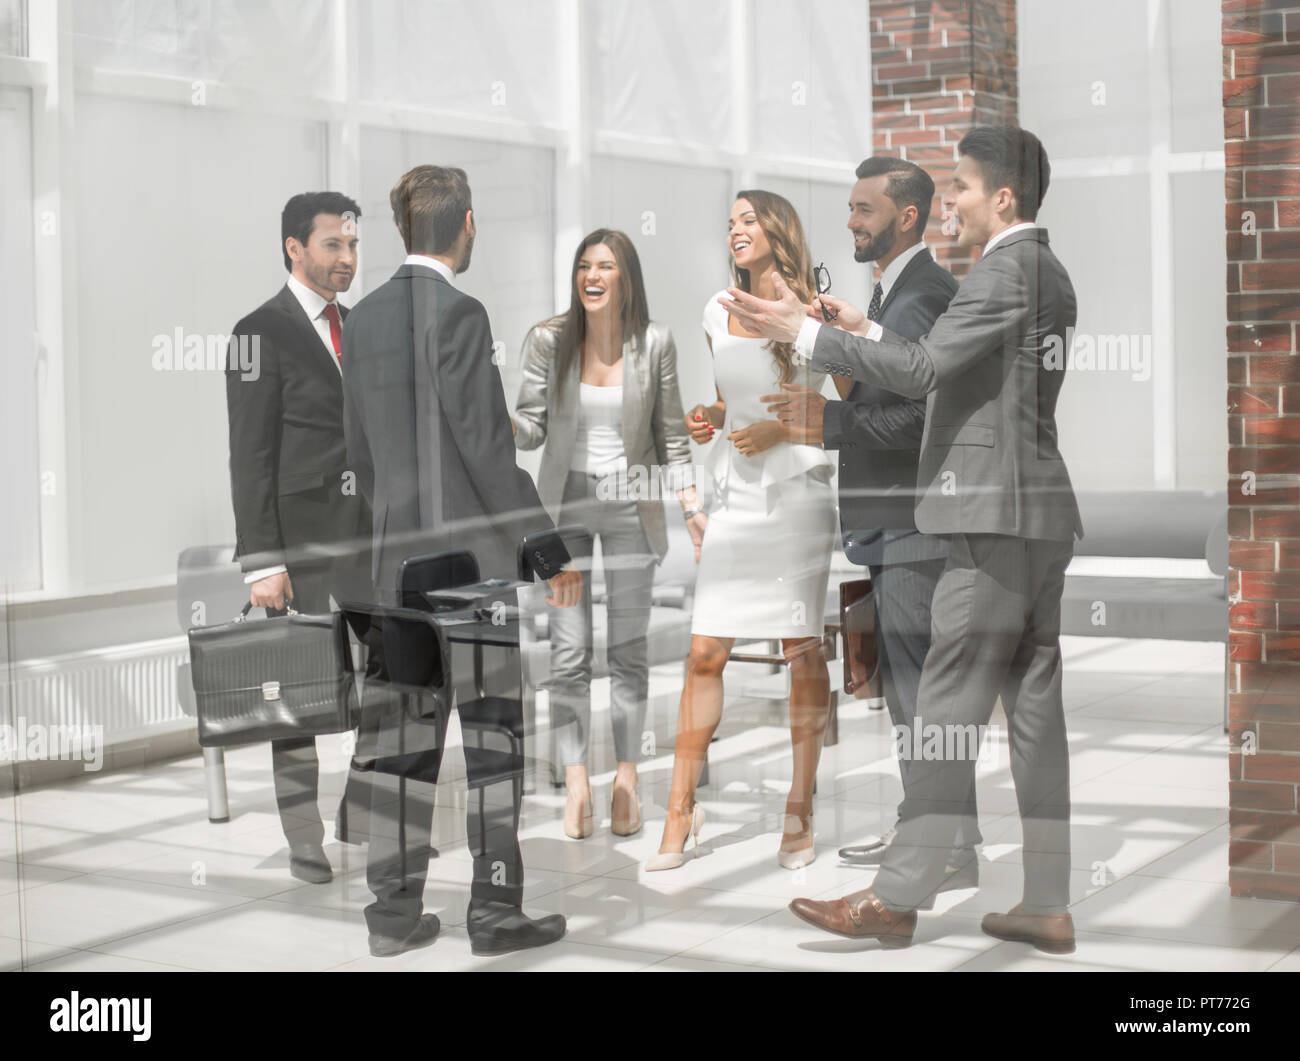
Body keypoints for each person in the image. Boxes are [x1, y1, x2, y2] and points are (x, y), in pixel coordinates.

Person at [722, 126, 1081, 953]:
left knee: (945, 707)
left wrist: (804, 332)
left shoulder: (1006, 267)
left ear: (1003, 198)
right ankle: (1049, 899)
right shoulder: (1044, 270)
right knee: (1032, 712)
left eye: (959, 187)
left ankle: (896, 895)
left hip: (990, 517)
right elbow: (948, 364)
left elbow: (923, 377)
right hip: (1035, 512)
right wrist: (866, 331)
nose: (949, 202)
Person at [342, 165, 582, 958]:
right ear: (466, 225)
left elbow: (360, 455)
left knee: (401, 742)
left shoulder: (364, 319)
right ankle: (494, 910)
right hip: (469, 576)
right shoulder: (462, 312)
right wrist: (547, 549)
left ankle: (391, 912)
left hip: (394, 571)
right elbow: (487, 448)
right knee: (492, 742)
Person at [764, 158, 977, 892]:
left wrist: (821, 419)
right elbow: (890, 388)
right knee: (919, 691)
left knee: (920, 693)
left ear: (907, 216)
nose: (851, 222)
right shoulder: (900, 293)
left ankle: (938, 845)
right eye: (851, 209)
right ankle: (945, 834)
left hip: (914, 524)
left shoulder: (923, 298)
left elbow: (919, 418)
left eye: (864, 209)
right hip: (900, 522)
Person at [647, 190, 838, 873]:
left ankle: (799, 806)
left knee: (801, 650)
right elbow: (730, 398)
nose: (735, 231)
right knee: (704, 652)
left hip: (797, 496)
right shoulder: (716, 310)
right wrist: (709, 415)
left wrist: (783, 427)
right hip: (734, 497)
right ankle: (678, 808)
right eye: (728, 222)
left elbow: (842, 398)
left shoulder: (811, 310)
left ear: (777, 229)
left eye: (748, 220)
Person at [513, 229, 701, 840]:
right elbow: (531, 427)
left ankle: (624, 778)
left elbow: (671, 433)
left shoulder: (655, 343)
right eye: (584, 266)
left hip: (631, 506)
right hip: (564, 508)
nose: (592, 276)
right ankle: (574, 782)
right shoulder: (548, 340)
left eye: (606, 267)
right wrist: (484, 410)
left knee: (627, 650)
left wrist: (692, 505)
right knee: (568, 653)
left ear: (627, 279)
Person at [224, 191, 374, 886]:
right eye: (333, 245)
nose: (347, 258)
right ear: (295, 247)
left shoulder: (363, 327)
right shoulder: (258, 333)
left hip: (368, 541)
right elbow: (248, 455)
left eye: (352, 245)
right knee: (300, 701)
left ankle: (362, 815)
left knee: (394, 686)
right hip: (300, 547)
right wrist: (263, 562)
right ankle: (304, 838)